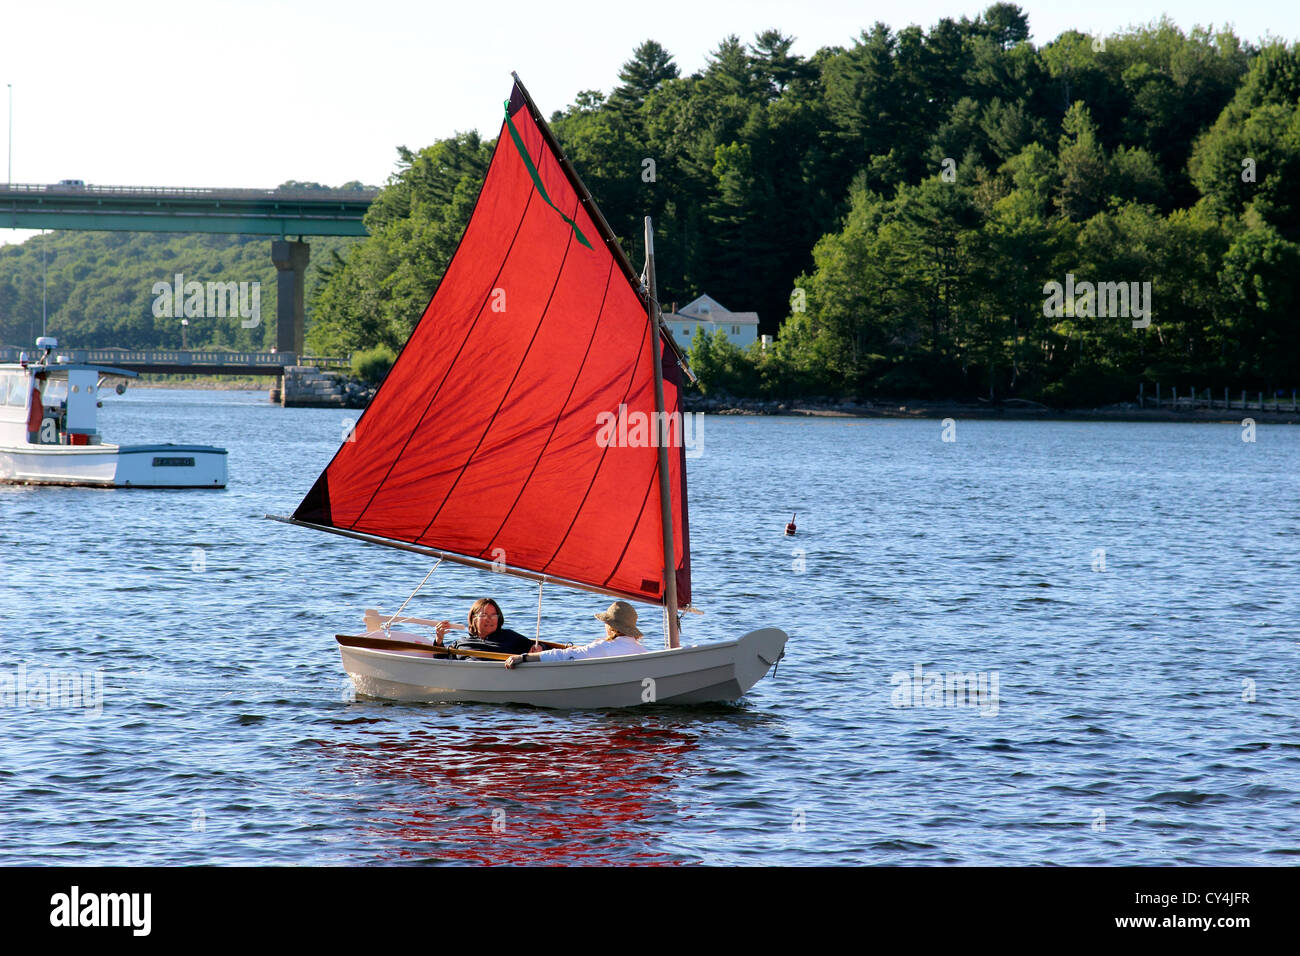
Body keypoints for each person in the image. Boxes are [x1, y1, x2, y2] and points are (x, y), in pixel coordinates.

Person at [505, 601, 648, 668]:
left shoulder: (604, 647)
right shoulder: (641, 650)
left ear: (610, 626)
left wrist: (524, 657)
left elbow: (562, 656)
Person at [433, 598, 537, 657]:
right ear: (474, 618)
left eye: (493, 615)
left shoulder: (510, 637)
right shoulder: (461, 643)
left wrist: (539, 648)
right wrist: (439, 640)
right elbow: (442, 662)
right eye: (484, 615)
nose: (489, 619)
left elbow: (541, 649)